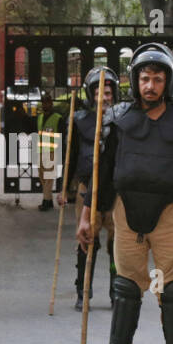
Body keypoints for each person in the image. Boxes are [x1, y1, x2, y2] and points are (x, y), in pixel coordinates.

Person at [80, 43, 173, 344]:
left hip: (170, 213)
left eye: (157, 79)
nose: (150, 86)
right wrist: (87, 215)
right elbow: (102, 173)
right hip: (127, 213)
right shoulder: (117, 119)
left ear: (169, 82)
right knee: (126, 287)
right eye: (145, 79)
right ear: (135, 81)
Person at [65, 66, 118, 311]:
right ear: (91, 94)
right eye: (99, 93)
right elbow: (71, 155)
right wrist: (64, 188)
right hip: (86, 188)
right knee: (87, 241)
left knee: (117, 245)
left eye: (107, 93)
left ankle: (116, 291)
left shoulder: (122, 119)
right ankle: (83, 291)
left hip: (116, 192)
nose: (103, 98)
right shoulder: (79, 120)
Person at [37, 91, 64, 210]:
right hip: (40, 151)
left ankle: (46, 201)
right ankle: (48, 199)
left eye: (47, 102)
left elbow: (62, 136)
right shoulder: (40, 118)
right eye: (43, 102)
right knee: (42, 177)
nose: (45, 104)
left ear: (51, 103)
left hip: (51, 152)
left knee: (48, 177)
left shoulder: (58, 118)